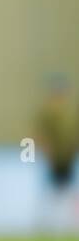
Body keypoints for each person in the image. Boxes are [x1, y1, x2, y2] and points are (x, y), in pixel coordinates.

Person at [35, 75, 78, 232]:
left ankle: (65, 225)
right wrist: (45, 150)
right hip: (54, 158)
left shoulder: (69, 112)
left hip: (67, 157)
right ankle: (48, 224)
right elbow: (40, 134)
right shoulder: (48, 112)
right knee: (52, 192)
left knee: (66, 191)